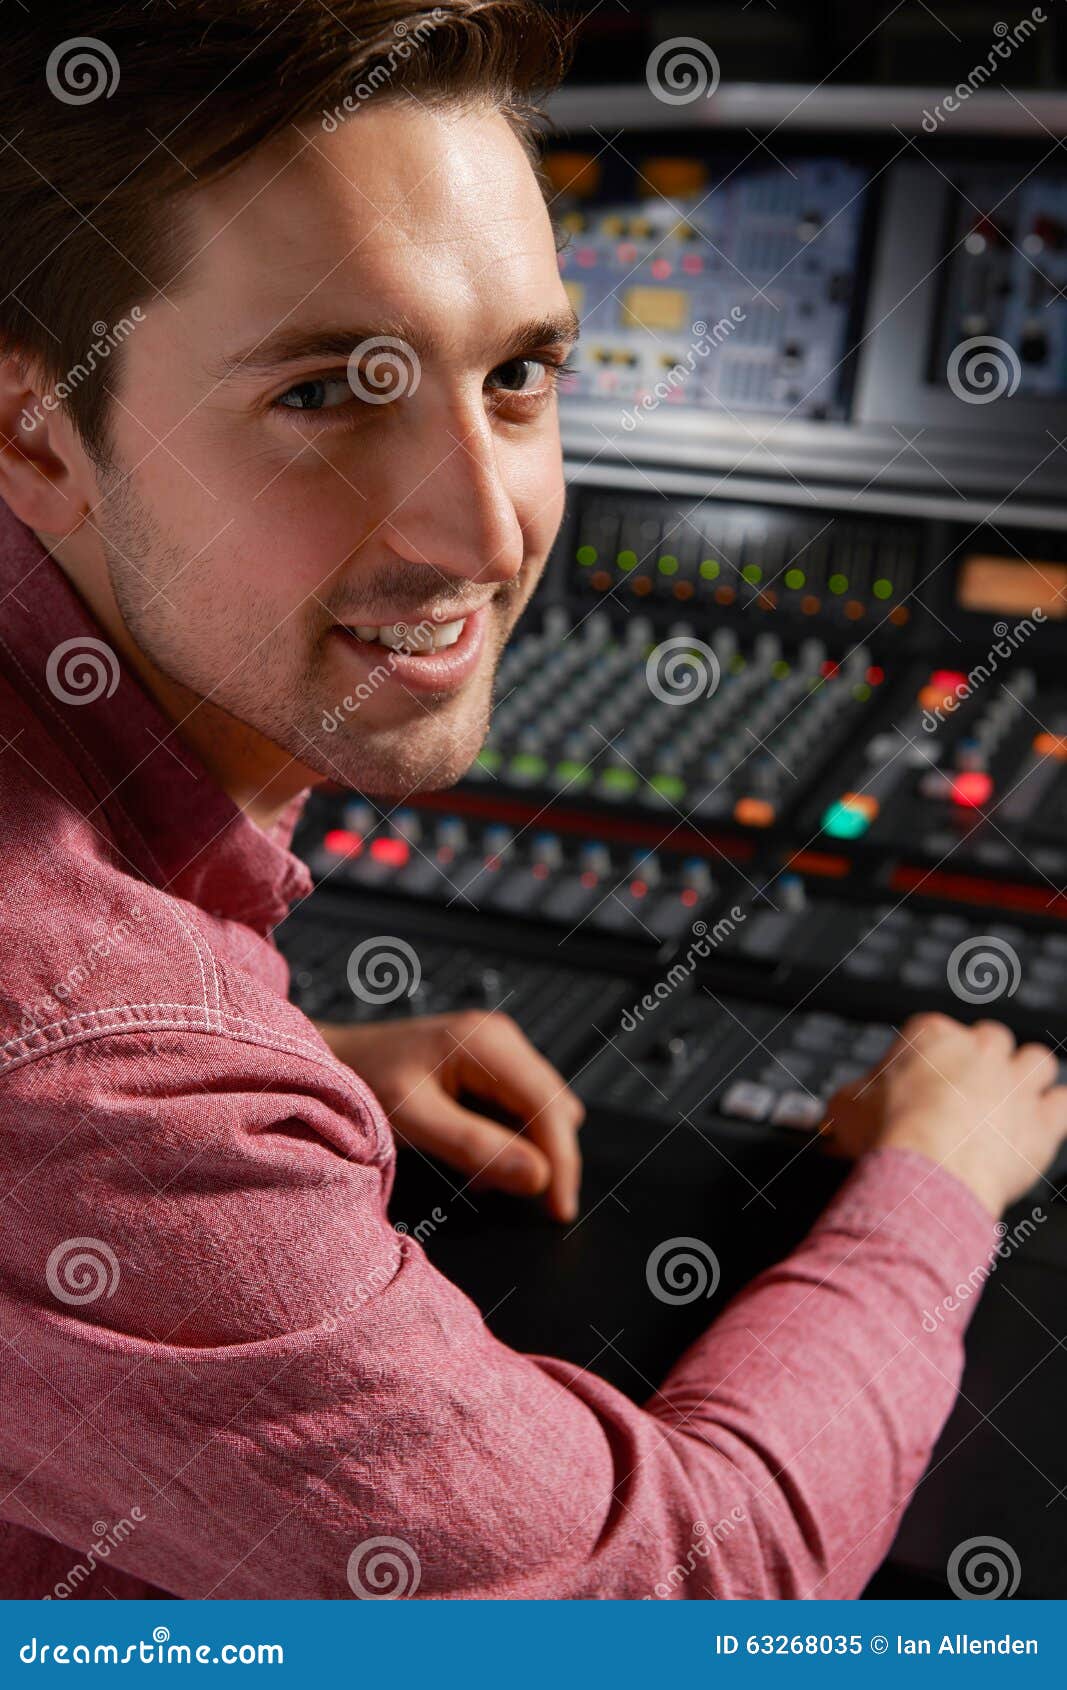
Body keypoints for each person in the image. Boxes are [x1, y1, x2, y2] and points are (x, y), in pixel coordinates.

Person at [0, 0, 1063, 1601]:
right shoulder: (103, 1092)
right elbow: (675, 1599)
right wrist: (933, 1186)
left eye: (518, 374)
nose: (485, 533)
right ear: (38, 431)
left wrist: (300, 1064)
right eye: (326, 396)